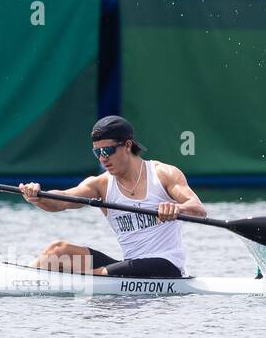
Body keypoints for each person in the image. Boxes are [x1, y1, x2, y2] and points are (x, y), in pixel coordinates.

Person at [19, 115, 205, 278]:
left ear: (127, 145)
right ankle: (21, 279)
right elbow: (63, 199)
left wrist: (177, 208)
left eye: (107, 151)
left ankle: (72, 281)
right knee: (57, 251)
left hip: (166, 266)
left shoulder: (163, 173)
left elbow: (198, 209)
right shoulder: (101, 184)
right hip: (130, 267)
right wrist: (38, 196)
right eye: (97, 152)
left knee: (92, 280)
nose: (102, 158)